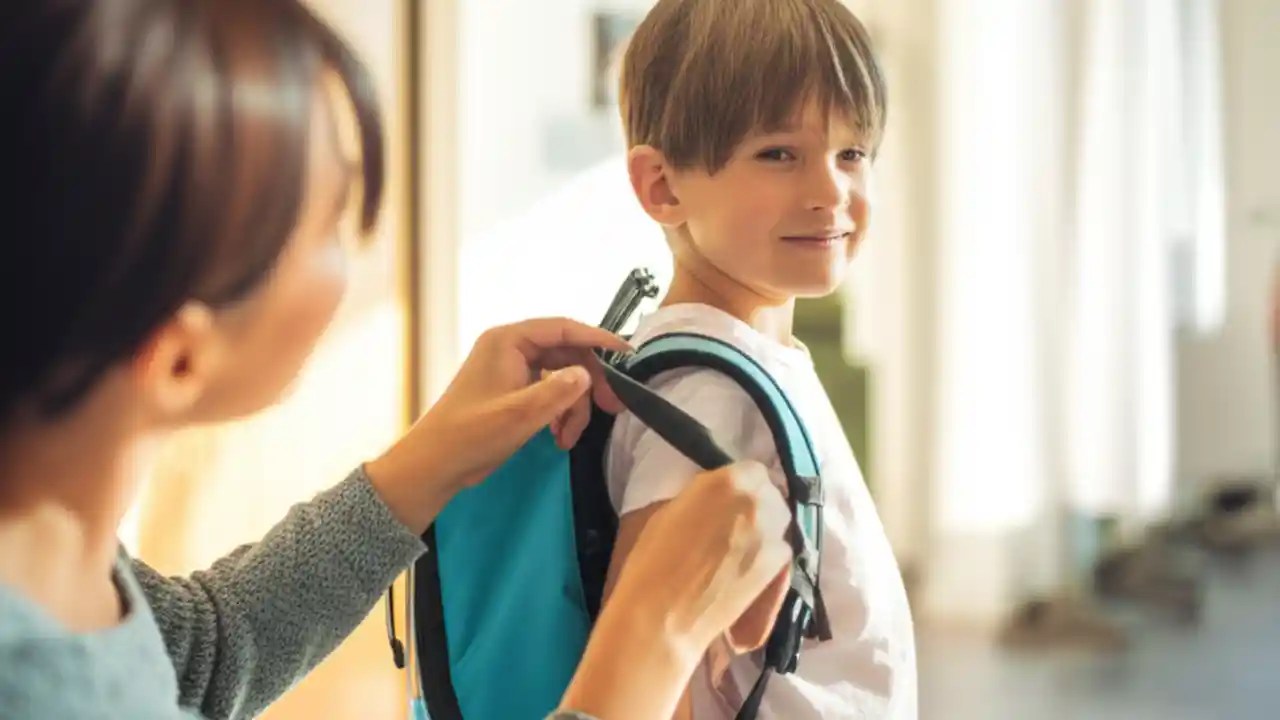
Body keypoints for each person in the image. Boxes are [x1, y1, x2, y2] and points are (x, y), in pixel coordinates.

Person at [0, 2, 792, 719]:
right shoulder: (33, 685)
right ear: (177, 358)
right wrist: (653, 636)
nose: (355, 258)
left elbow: (193, 663)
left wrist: (432, 458)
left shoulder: (51, 564)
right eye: (330, 223)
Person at [601, 0, 918, 717]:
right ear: (663, 186)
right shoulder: (709, 393)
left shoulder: (753, 364)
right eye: (779, 153)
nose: (831, 190)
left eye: (851, 153)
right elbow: (652, 665)